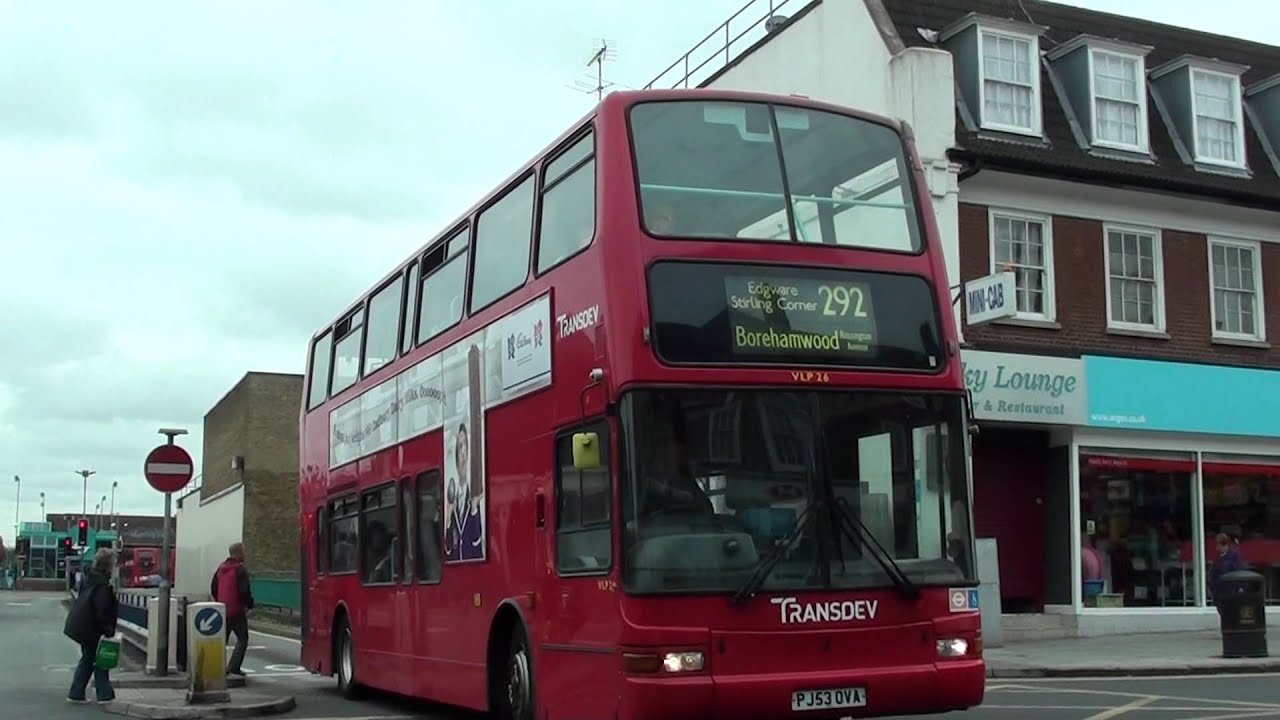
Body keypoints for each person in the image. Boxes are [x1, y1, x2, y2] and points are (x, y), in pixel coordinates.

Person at [63, 548, 118, 704]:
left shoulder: (90, 579)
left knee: (89, 659)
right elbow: (101, 610)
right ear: (108, 566)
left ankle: (77, 693)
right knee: (99, 660)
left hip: (83, 626)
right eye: (113, 564)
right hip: (91, 629)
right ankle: (104, 695)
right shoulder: (101, 585)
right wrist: (107, 630)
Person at [211, 542, 255, 677]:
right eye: (243, 551)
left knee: (222, 640)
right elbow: (244, 591)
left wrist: (219, 602)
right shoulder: (239, 569)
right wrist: (249, 605)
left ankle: (216, 667)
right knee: (242, 638)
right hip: (236, 610)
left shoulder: (221, 568)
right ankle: (234, 667)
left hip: (222, 610)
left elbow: (213, 588)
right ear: (239, 553)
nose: (245, 554)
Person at [1209, 532, 1245, 610]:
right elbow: (1214, 573)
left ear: (1224, 545)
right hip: (1219, 591)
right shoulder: (1218, 558)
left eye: (1218, 546)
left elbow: (1238, 571)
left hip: (1230, 590)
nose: (1216, 548)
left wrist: (1240, 587)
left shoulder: (1234, 556)